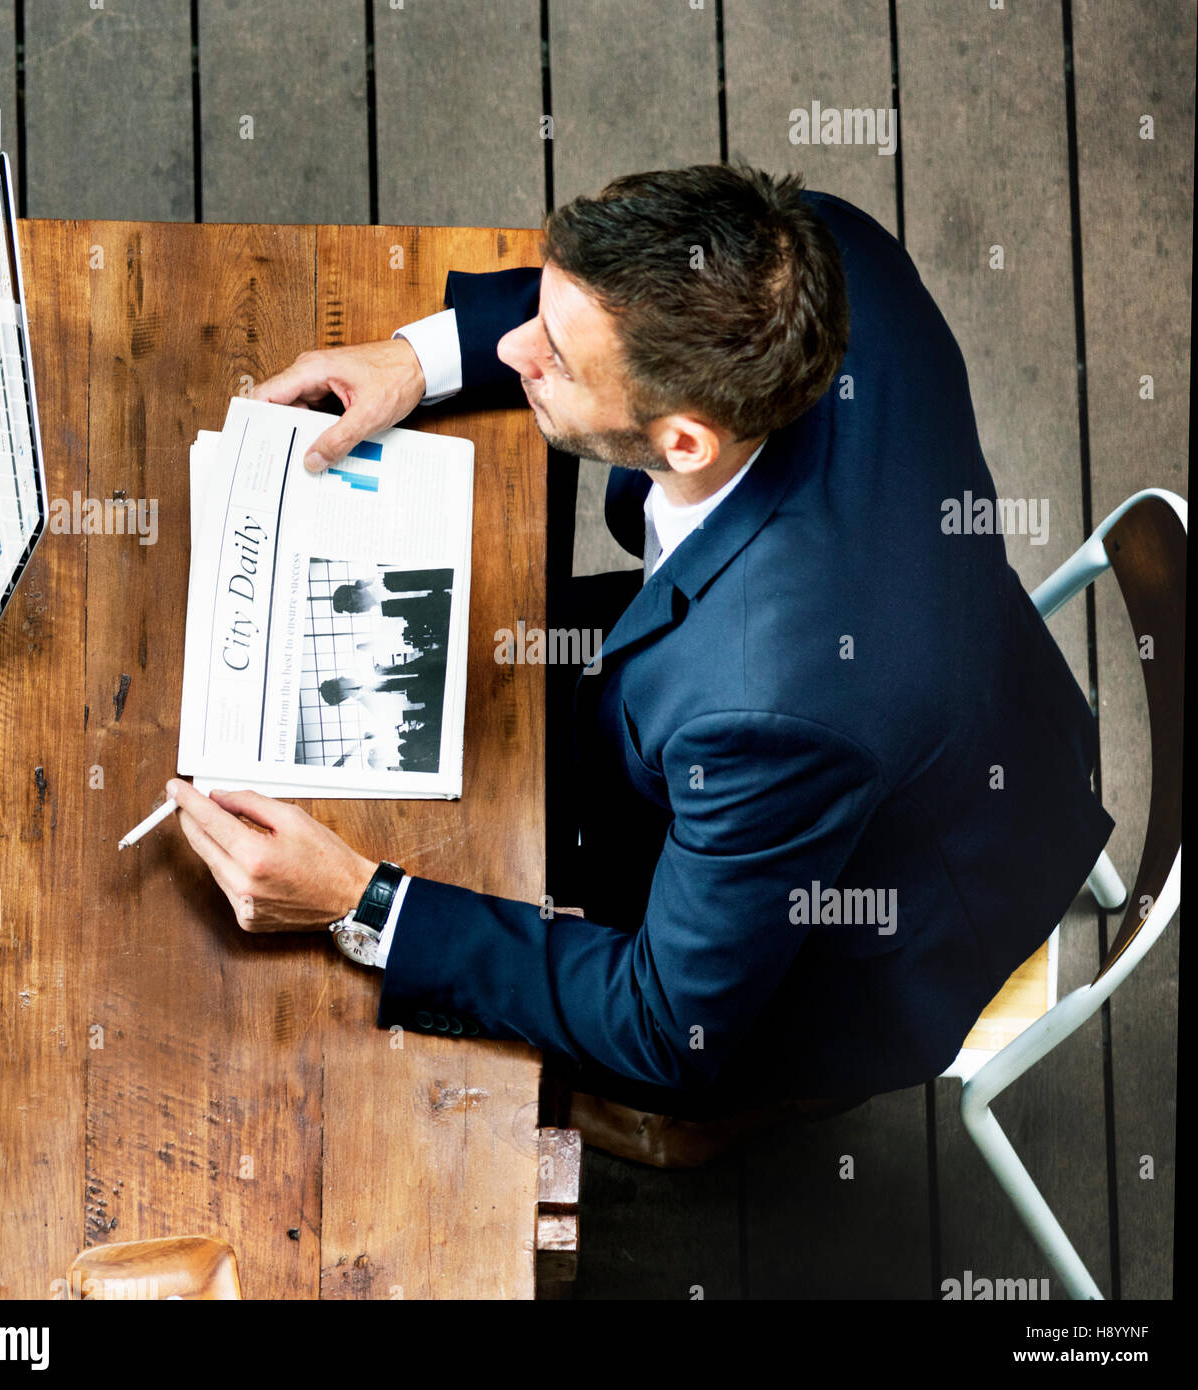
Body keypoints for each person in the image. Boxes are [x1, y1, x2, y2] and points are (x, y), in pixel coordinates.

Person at [169, 164, 1113, 1139]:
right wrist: (423, 360)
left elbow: (668, 1022)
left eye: (556, 361)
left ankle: (700, 1131)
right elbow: (608, 308)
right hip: (902, 681)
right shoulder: (816, 248)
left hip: (865, 928)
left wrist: (358, 900)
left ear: (687, 440)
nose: (514, 349)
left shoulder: (770, 710)